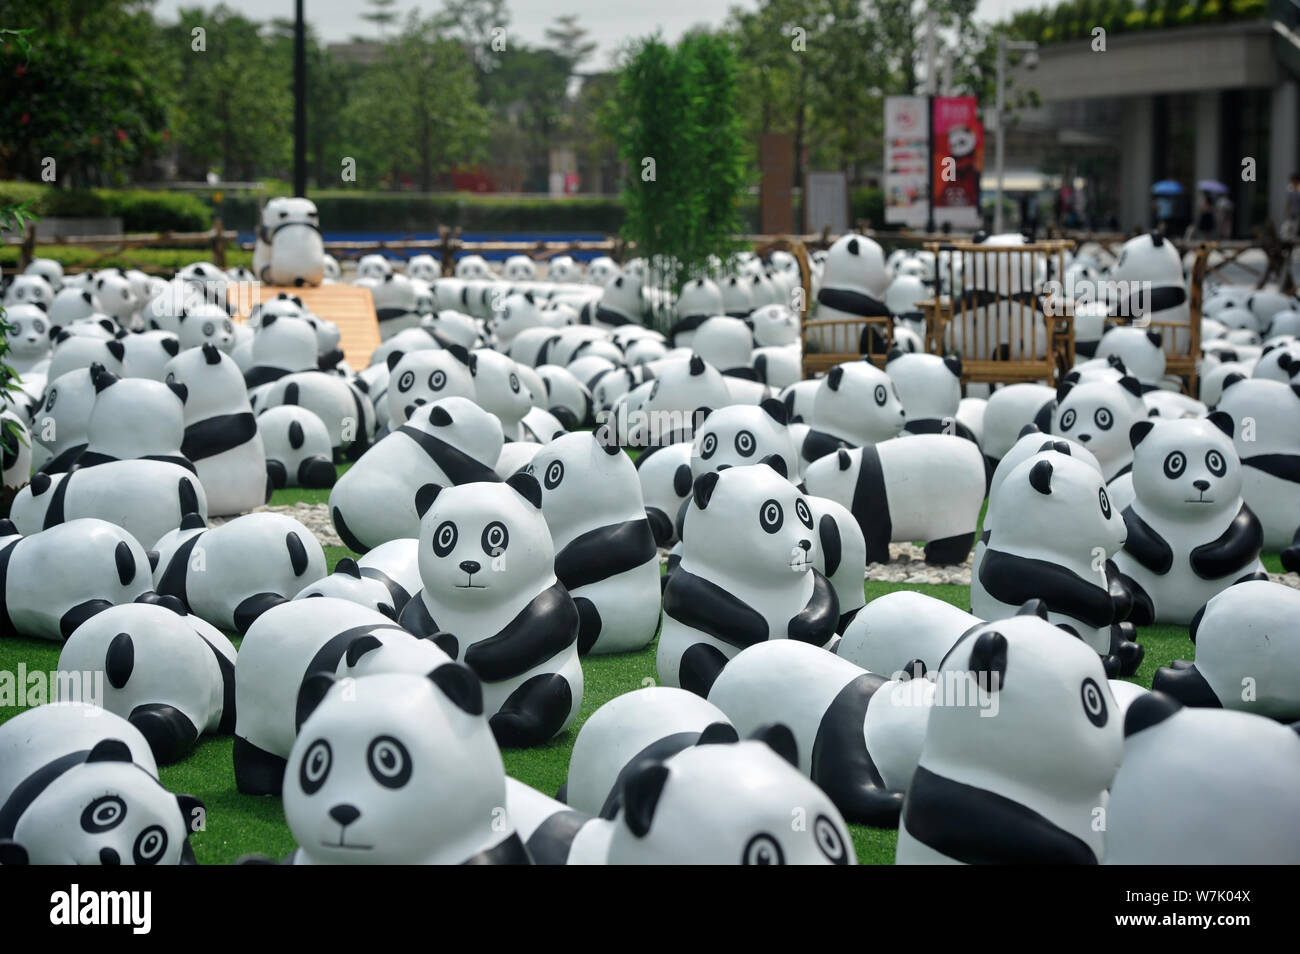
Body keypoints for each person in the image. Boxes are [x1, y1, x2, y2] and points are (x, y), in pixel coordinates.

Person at [1284, 172, 1300, 241]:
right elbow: (1288, 201)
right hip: (1291, 212)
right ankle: (1286, 239)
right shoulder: (1289, 188)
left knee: (1295, 228)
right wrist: (1286, 210)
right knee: (1287, 226)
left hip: (1298, 212)